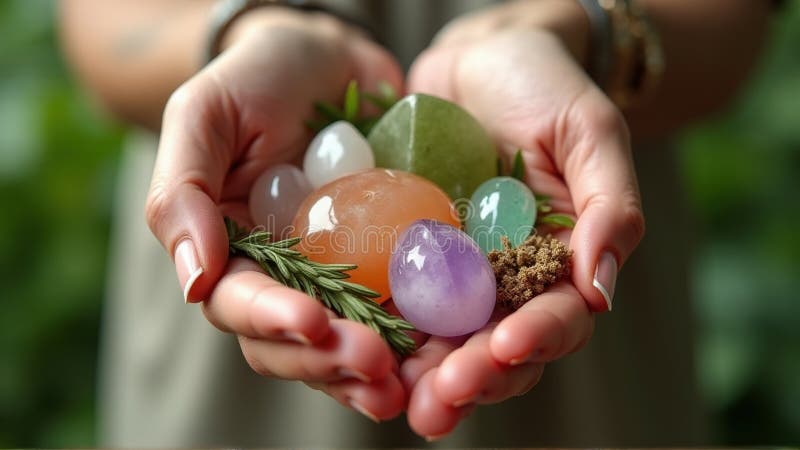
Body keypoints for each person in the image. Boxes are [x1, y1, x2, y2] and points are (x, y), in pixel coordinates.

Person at [59, 0, 774, 446]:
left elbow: (731, 30)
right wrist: (244, 31)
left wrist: (582, 32)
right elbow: (101, 26)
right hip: (235, 210)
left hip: (576, 242)